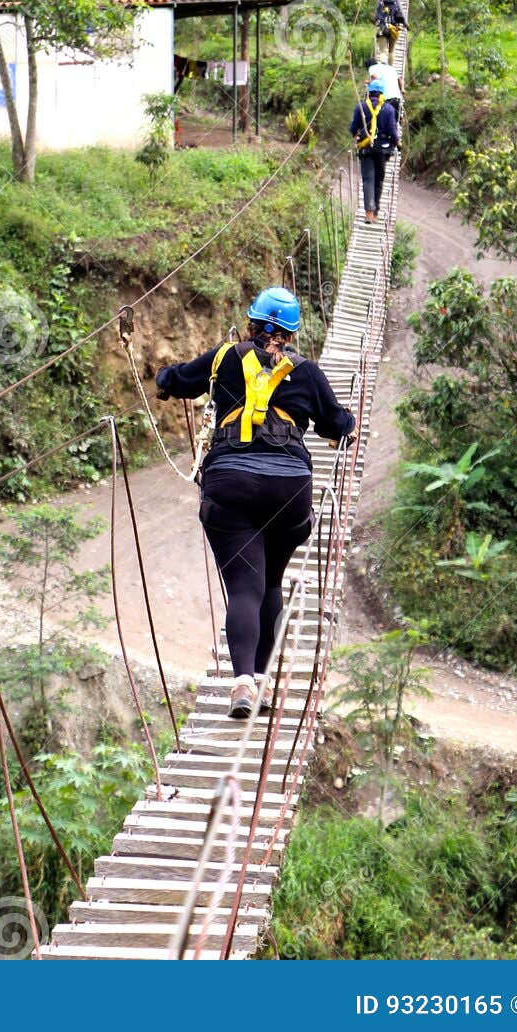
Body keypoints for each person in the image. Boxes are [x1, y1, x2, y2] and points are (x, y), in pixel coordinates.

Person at [154, 288, 355, 720]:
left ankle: (243, 681)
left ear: (252, 323)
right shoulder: (308, 372)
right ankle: (261, 683)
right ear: (292, 333)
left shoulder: (225, 357)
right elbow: (336, 424)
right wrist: (347, 426)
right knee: (270, 586)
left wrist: (163, 383)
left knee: (245, 587)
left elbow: (180, 379)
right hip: (291, 490)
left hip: (231, 483)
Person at [350, 82, 398, 224]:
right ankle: (376, 212)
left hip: (366, 148)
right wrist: (397, 143)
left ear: (369, 93)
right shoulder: (389, 109)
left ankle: (369, 213)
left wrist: (358, 134)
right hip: (383, 150)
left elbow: (353, 128)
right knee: (379, 180)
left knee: (368, 180)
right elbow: (393, 131)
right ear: (382, 94)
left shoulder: (361, 107)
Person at [374, 0, 408, 66]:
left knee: (383, 50)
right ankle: (390, 67)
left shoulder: (381, 0)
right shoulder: (396, 1)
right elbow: (401, 15)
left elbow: (376, 15)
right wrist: (406, 25)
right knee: (391, 51)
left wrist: (376, 21)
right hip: (393, 29)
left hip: (382, 28)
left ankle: (382, 65)